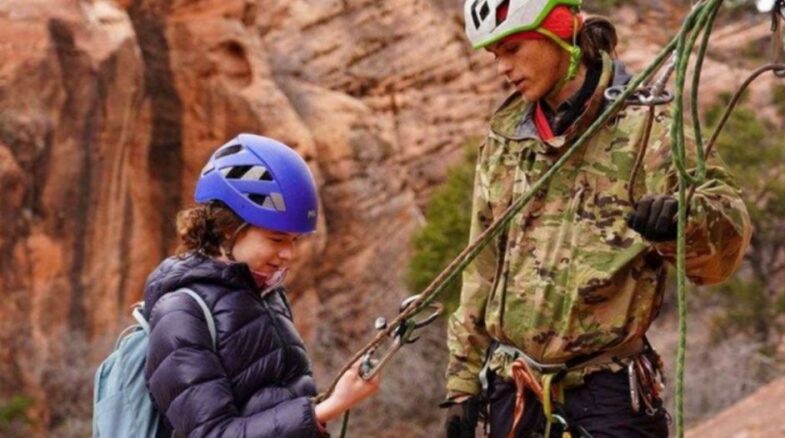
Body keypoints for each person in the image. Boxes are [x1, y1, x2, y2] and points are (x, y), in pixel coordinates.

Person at [445, 1, 752, 437]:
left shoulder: (647, 126)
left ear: (558, 33)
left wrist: (683, 223)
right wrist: (462, 385)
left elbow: (725, 249)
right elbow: (481, 264)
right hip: (512, 392)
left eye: (513, 48)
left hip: (607, 393)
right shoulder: (506, 137)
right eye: (494, 55)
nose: (503, 68)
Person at [142, 133, 379, 437]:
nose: (288, 254)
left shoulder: (267, 295)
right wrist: (327, 408)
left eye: (294, 240)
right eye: (276, 239)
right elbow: (210, 433)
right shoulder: (181, 313)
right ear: (229, 228)